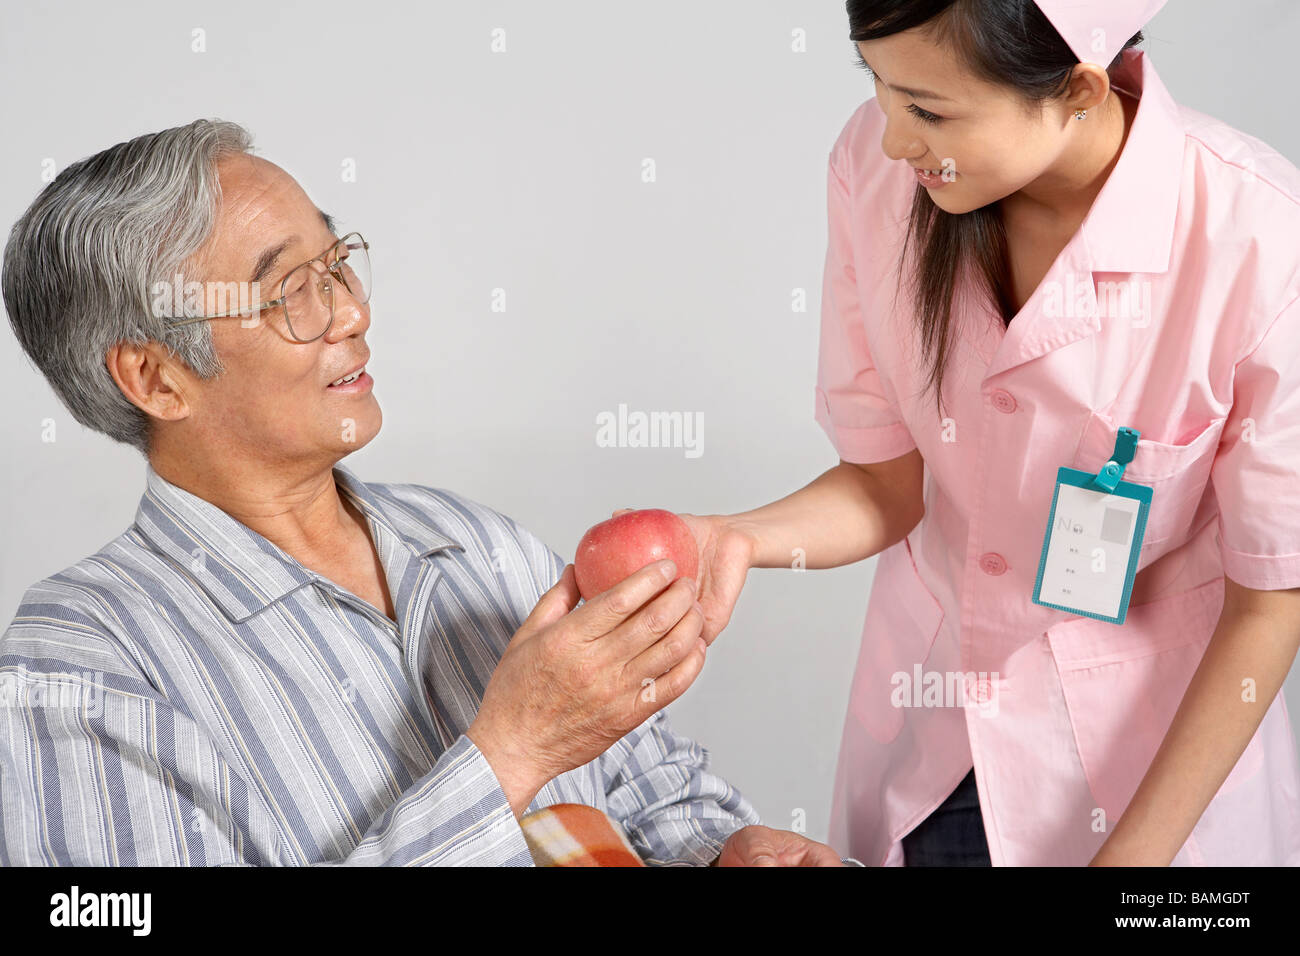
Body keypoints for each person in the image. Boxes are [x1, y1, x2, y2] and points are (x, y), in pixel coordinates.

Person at [0, 120, 844, 867]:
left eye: (338, 263)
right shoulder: (79, 668)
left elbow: (655, 795)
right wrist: (510, 753)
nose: (349, 312)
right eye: (290, 288)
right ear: (156, 377)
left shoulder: (477, 544)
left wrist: (723, 850)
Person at [669, 0, 1300, 865]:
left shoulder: (1259, 239)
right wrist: (728, 539)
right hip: (936, 754)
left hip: (1153, 787)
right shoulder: (876, 171)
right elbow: (883, 487)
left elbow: (1270, 604)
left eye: (929, 110)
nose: (894, 138)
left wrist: (1130, 864)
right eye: (879, 86)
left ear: (1078, 87)